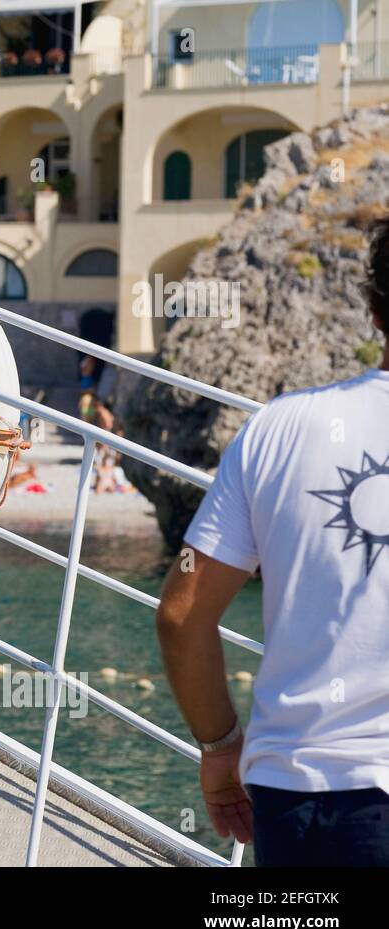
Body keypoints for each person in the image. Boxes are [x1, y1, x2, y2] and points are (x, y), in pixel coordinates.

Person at [155, 219, 389, 866]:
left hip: (301, 799)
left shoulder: (280, 431)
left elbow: (181, 614)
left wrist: (220, 746)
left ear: (373, 311)